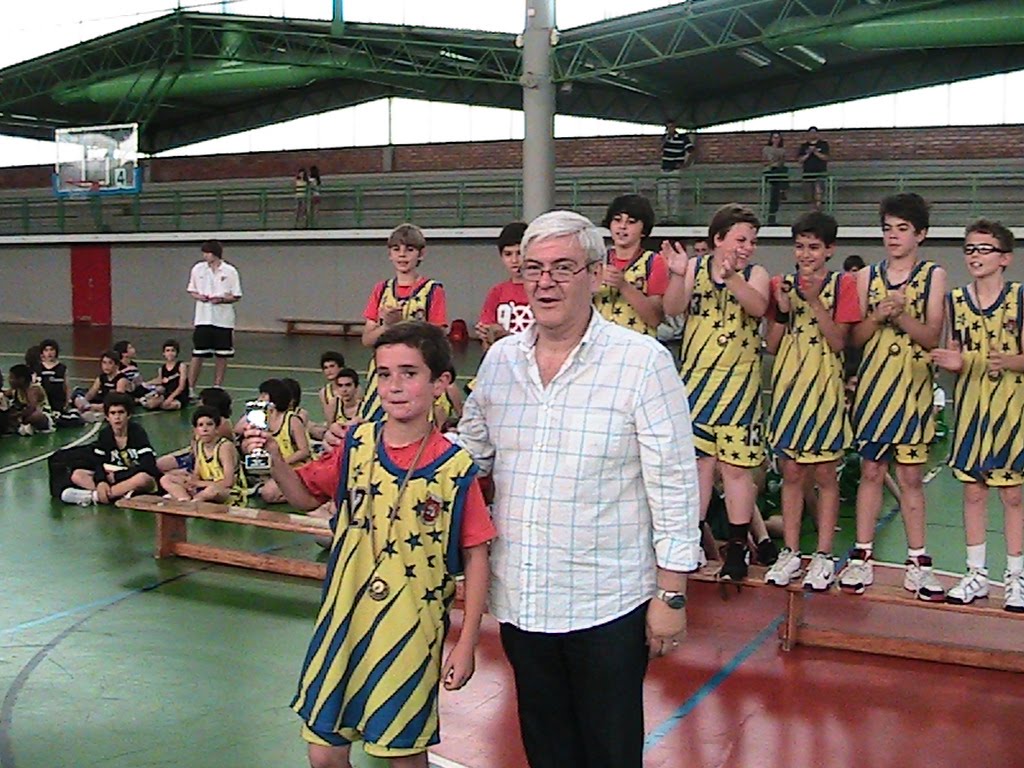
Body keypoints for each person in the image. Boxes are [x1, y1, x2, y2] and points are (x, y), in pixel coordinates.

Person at [455, 210, 701, 768]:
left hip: (607, 604)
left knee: (609, 751)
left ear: (594, 272)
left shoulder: (642, 363)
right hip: (523, 599)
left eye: (563, 268)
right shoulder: (500, 363)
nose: (546, 282)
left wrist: (672, 594)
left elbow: (675, 484)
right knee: (546, 748)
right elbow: (469, 455)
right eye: (534, 269)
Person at [254, 321, 496, 768]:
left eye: (409, 373)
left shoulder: (456, 468)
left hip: (409, 631)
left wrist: (466, 644)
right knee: (324, 753)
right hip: (342, 620)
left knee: (402, 754)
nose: (395, 386)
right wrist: (272, 454)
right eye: (384, 374)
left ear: (441, 381)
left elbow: (477, 555)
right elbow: (306, 497)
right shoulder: (357, 444)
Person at [840, 193, 947, 600]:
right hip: (874, 389)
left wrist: (900, 314)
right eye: (888, 228)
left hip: (913, 390)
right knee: (871, 472)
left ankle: (918, 561)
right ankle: (861, 556)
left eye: (902, 229)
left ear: (920, 234)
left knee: (911, 477)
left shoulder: (933, 275)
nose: (893, 237)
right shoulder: (867, 276)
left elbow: (930, 334)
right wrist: (877, 315)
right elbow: (856, 338)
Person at [662, 203, 770, 581]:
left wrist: (733, 278)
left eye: (752, 241)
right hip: (696, 382)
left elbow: (758, 307)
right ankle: (689, 541)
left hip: (740, 385)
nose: (746, 247)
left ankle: (738, 548)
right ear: (718, 239)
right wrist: (677, 275)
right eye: (740, 239)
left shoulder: (756, 273)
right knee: (697, 468)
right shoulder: (694, 267)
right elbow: (672, 309)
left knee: (737, 469)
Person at [763, 212, 861, 590]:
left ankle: (823, 554)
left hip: (825, 391)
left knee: (825, 474)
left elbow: (840, 341)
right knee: (791, 472)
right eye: (800, 246)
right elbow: (771, 345)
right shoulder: (779, 284)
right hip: (789, 390)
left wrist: (814, 302)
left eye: (814, 247)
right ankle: (790, 552)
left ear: (830, 250)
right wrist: (783, 313)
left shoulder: (843, 285)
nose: (806, 254)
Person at [932, 219, 1024, 611]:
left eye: (984, 249)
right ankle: (975, 574)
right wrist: (953, 363)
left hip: (1011, 410)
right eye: (969, 248)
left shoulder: (1020, 298)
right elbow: (955, 352)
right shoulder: (955, 301)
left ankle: (1016, 578)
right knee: (972, 491)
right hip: (971, 410)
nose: (975, 256)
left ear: (1005, 258)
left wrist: (1011, 361)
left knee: (1013, 495)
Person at [357, 224, 446, 422]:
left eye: (409, 249)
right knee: (373, 427)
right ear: (389, 254)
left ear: (421, 254)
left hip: (415, 372)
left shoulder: (432, 290)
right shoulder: (381, 290)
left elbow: (437, 338)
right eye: (397, 249)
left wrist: (402, 325)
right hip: (384, 372)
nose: (402, 255)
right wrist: (387, 327)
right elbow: (367, 339)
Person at [61, 393, 159, 505]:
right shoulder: (105, 434)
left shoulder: (137, 432)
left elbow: (149, 465)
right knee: (78, 474)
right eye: (113, 413)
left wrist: (119, 476)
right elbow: (98, 463)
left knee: (143, 478)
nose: (117, 417)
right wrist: (101, 481)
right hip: (113, 477)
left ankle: (95, 496)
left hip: (131, 475)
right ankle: (117, 494)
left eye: (121, 412)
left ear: (128, 415)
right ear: (107, 417)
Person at [596, 194, 668, 336]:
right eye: (617, 220)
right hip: (599, 344)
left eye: (631, 222)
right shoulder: (596, 260)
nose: (622, 226)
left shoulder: (654, 262)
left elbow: (654, 319)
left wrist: (624, 286)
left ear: (643, 230)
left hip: (637, 347)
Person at [160, 406, 246, 505]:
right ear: (196, 430)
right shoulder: (198, 444)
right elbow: (197, 473)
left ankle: (192, 502)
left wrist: (200, 483)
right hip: (204, 487)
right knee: (166, 478)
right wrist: (190, 481)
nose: (205, 429)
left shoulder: (224, 447)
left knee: (213, 490)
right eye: (200, 425)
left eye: (209, 424)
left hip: (228, 491)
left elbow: (228, 482)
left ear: (217, 428)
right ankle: (184, 499)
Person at [187, 239, 242, 389]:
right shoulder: (198, 269)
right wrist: (200, 297)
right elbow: (192, 290)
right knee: (198, 353)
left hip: (223, 319)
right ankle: (190, 387)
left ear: (215, 253)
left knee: (222, 355)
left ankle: (217, 386)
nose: (205, 256)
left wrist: (222, 299)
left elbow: (236, 295)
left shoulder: (230, 271)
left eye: (208, 253)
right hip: (203, 318)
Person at [475, 221, 532, 348]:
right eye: (508, 254)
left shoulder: (542, 289)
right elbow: (487, 344)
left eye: (519, 253)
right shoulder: (497, 292)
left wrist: (507, 335)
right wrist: (488, 334)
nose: (514, 260)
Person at [658, 121, 694, 222]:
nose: (669, 129)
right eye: (668, 127)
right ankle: (664, 217)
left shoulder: (683, 138)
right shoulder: (664, 138)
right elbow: (659, 151)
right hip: (664, 169)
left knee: (673, 195)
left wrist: (686, 164)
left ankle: (673, 218)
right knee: (663, 195)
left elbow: (692, 150)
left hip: (675, 170)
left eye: (671, 127)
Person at [5, 364, 55, 435]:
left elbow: (31, 408)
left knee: (36, 416)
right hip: (23, 416)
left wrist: (16, 416)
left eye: (12, 378)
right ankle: (22, 426)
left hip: (42, 416)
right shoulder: (16, 390)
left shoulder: (33, 389)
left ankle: (22, 425)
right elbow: (5, 394)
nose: (9, 380)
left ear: (21, 379)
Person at [143, 339, 189, 411]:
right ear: (163, 353)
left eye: (172, 350)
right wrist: (146, 383)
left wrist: (170, 398)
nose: (170, 353)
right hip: (166, 393)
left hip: (179, 395)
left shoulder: (181, 366)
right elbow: (160, 380)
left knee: (167, 405)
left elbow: (181, 387)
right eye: (167, 351)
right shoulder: (162, 368)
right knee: (150, 404)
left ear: (177, 353)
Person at [798, 126, 830, 210]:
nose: (813, 134)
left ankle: (818, 209)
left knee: (819, 193)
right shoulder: (804, 146)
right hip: (808, 173)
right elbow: (800, 160)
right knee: (809, 195)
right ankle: (812, 211)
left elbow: (826, 158)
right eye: (811, 133)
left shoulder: (823, 144)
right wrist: (808, 154)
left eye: (814, 132)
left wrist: (815, 152)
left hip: (820, 172)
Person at [762, 131, 788, 225]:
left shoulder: (782, 150)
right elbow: (764, 162)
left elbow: (782, 162)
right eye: (774, 138)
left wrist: (776, 163)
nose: (776, 140)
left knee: (783, 170)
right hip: (770, 171)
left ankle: (782, 190)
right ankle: (783, 190)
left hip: (778, 171)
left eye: (778, 138)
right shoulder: (766, 149)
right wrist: (773, 163)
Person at [38, 338, 69, 413]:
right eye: (46, 350)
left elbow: (66, 387)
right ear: (42, 353)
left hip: (58, 402)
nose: (49, 353)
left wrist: (67, 402)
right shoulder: (37, 368)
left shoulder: (62, 368)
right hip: (42, 403)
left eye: (52, 350)